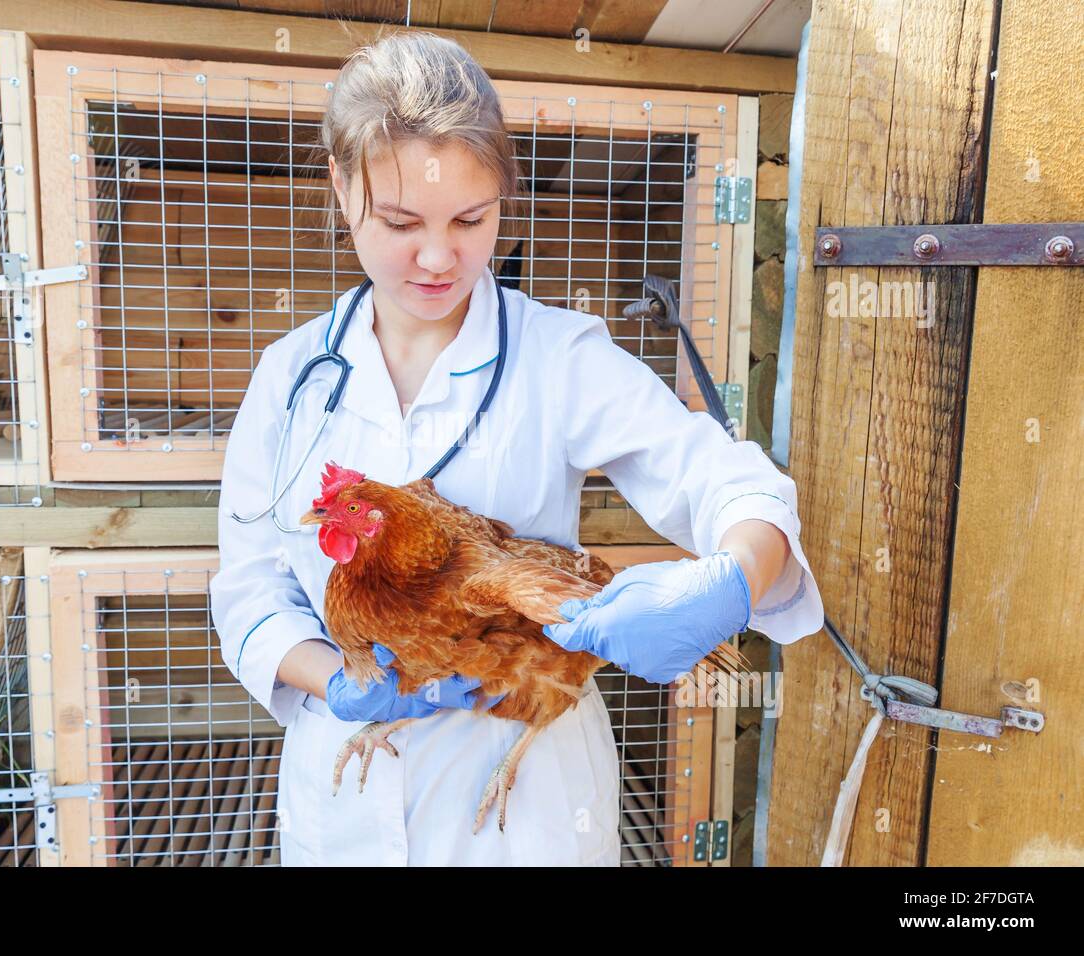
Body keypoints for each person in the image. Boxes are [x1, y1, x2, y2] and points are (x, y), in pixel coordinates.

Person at [209, 31, 825, 867]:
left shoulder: (560, 354)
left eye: (472, 219)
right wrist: (339, 683)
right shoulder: (287, 378)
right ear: (341, 186)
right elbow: (250, 588)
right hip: (346, 804)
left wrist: (727, 582)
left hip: (527, 809)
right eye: (399, 222)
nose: (438, 257)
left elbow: (721, 479)